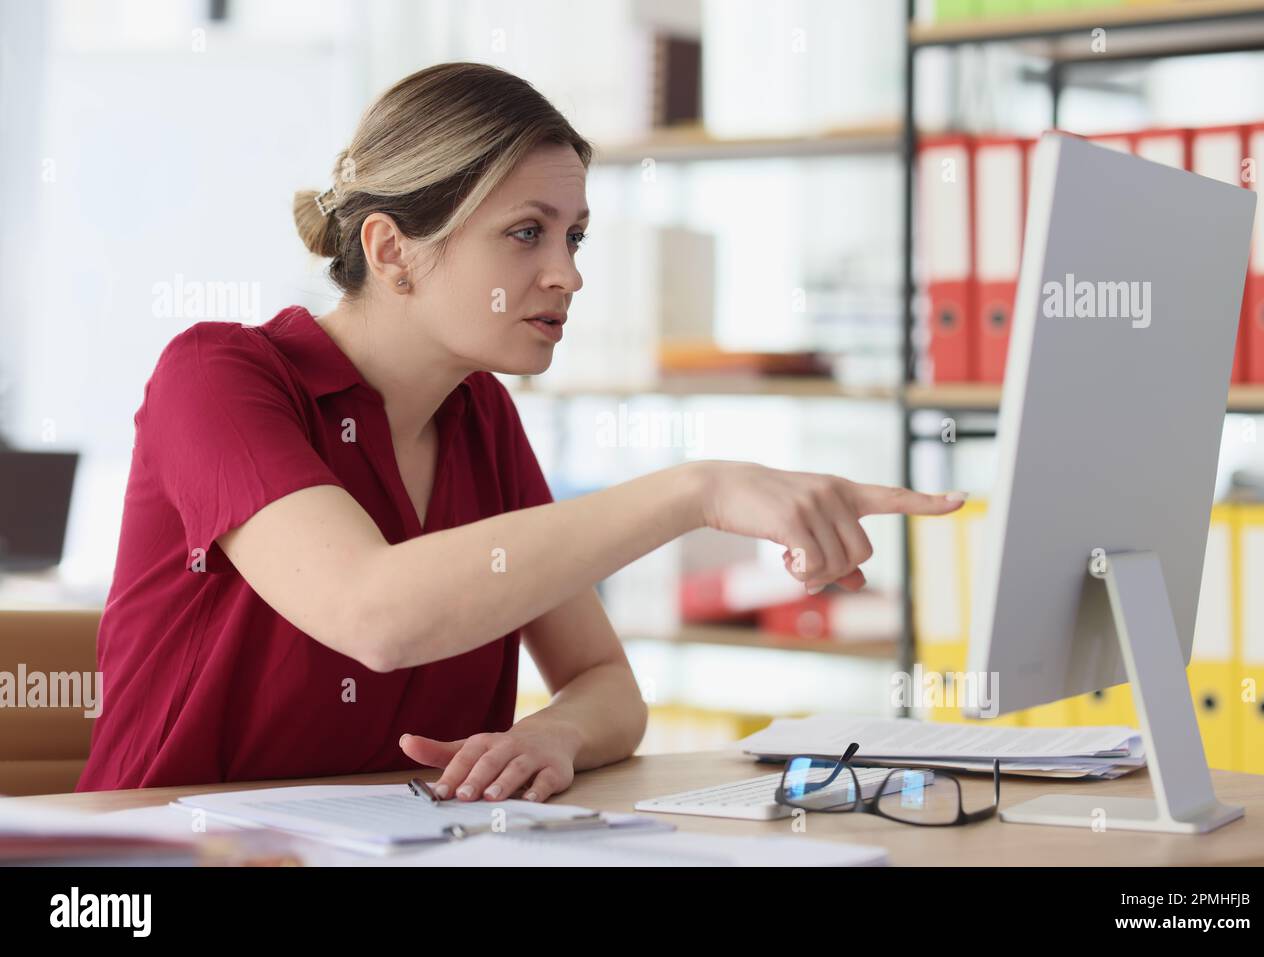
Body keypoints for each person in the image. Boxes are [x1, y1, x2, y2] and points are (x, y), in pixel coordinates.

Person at [77, 62, 964, 799]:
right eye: (526, 234)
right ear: (392, 253)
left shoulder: (480, 417)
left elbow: (609, 686)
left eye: (574, 237)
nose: (567, 275)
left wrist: (558, 733)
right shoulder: (218, 377)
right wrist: (699, 490)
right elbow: (375, 612)